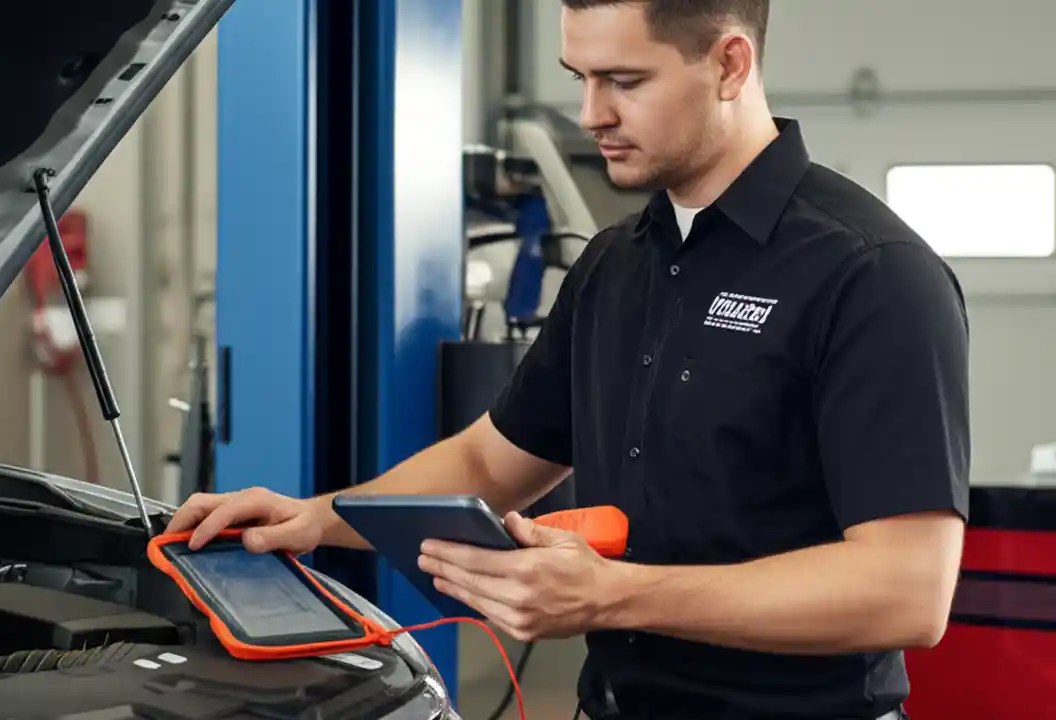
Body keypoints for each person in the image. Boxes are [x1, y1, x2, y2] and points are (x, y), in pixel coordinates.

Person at [166, 0, 969, 717]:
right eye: (579, 77)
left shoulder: (870, 272)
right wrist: (315, 518)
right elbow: (491, 459)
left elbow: (906, 591)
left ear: (730, 64)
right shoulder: (616, 265)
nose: (591, 113)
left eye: (624, 80)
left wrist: (615, 597)